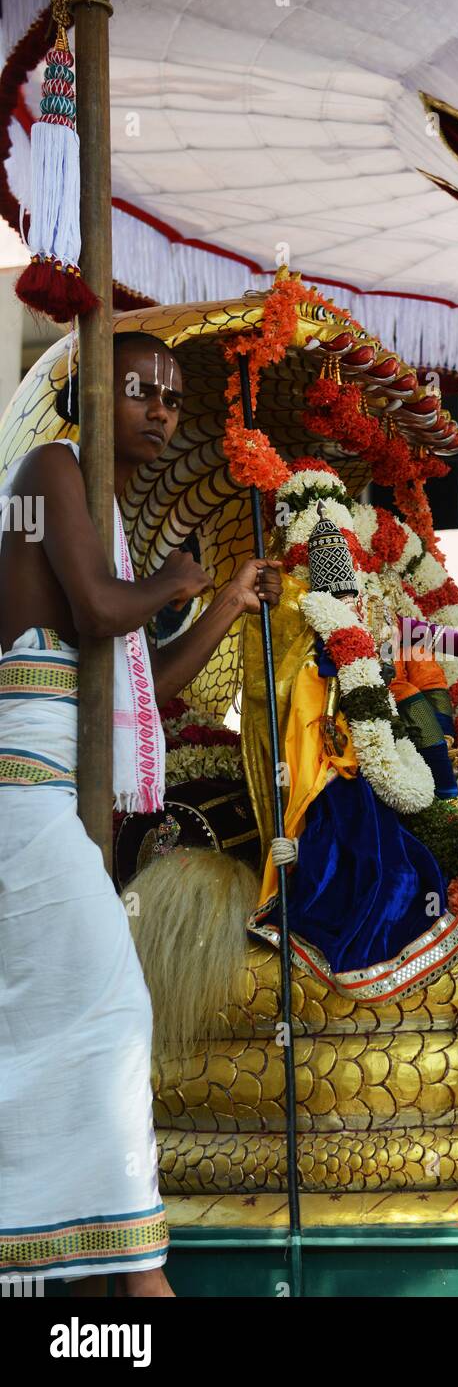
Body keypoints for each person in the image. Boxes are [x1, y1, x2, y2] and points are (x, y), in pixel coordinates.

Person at [0, 331, 281, 1296]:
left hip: (45, 796)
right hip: (17, 793)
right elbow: (95, 608)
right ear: (85, 395)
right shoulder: (51, 468)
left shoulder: (99, 503)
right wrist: (174, 581)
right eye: (139, 391)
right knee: (109, 1015)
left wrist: (222, 606)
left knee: (67, 1028)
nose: (162, 410)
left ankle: (82, 1269)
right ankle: (130, 1275)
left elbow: (140, 688)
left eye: (171, 396)